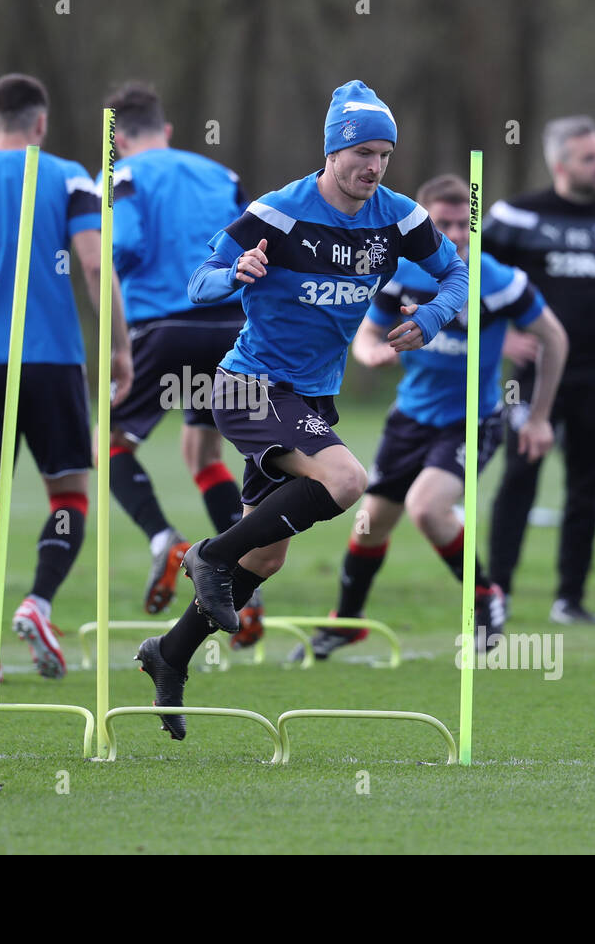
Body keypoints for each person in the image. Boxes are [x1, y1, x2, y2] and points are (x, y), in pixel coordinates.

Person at [134, 80, 469, 740]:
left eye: (384, 153)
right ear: (332, 151)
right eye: (362, 152)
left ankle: (168, 654)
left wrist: (430, 316)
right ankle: (205, 555)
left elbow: (458, 273)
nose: (373, 165)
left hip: (308, 398)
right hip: (245, 385)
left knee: (265, 560)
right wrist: (237, 274)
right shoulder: (278, 213)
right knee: (346, 481)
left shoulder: (398, 217)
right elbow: (199, 280)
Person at [309, 174, 567, 661]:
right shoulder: (403, 271)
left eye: (461, 223)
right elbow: (367, 333)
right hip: (410, 417)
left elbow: (554, 338)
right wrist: (371, 354)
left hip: (472, 419)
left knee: (428, 508)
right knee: (369, 523)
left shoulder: (495, 279)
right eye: (440, 223)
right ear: (421, 224)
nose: (452, 234)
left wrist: (539, 416)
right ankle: (346, 622)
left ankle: (486, 597)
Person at [0, 73, 132, 683]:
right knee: (70, 495)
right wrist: (121, 347)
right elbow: (96, 262)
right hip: (52, 360)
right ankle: (39, 601)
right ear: (41, 125)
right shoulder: (70, 175)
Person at [483, 116, 595, 624]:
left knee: (588, 484)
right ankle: (498, 593)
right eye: (589, 158)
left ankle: (571, 599)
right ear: (560, 164)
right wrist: (501, 334)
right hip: (535, 374)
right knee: (520, 476)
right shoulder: (516, 215)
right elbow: (470, 272)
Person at [100, 82, 258, 627]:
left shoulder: (122, 175)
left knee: (107, 445)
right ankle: (242, 590)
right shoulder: (221, 174)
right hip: (232, 328)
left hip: (164, 328)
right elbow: (254, 242)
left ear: (117, 139)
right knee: (205, 454)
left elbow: (122, 245)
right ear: (166, 130)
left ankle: (165, 540)